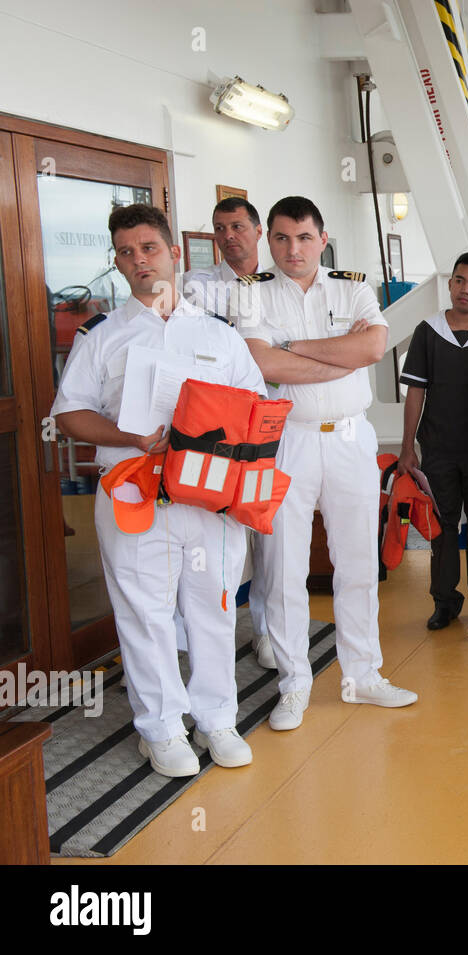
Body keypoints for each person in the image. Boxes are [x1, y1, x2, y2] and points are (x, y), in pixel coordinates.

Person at [51, 203, 265, 775]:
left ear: (174, 253)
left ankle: (217, 718)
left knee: (214, 608)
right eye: (126, 252)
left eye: (148, 248)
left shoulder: (220, 336)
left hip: (208, 497)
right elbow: (70, 413)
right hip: (132, 492)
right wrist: (130, 433)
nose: (138, 260)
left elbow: (256, 410)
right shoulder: (102, 335)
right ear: (118, 263)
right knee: (143, 612)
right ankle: (161, 727)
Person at [239, 195, 417, 730]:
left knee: (358, 562)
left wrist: (293, 350)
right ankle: (294, 684)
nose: (293, 249)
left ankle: (363, 674)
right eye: (281, 238)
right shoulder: (250, 294)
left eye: (304, 237)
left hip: (349, 439)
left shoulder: (352, 286)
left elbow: (372, 350)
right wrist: (334, 354)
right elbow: (260, 362)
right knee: (285, 566)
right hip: (285, 440)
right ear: (268, 241)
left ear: (322, 238)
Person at [181, 196, 278, 670]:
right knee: (218, 530)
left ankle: (265, 631)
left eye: (237, 226)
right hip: (217, 427)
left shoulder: (283, 282)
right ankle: (199, 641)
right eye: (220, 228)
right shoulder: (197, 288)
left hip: (271, 421)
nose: (228, 236)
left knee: (266, 531)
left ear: (258, 230)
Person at [397, 252, 468, 632]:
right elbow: (415, 393)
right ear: (450, 283)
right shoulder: (428, 332)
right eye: (459, 280)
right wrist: (408, 448)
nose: (465, 289)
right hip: (438, 448)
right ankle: (444, 601)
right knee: (440, 527)